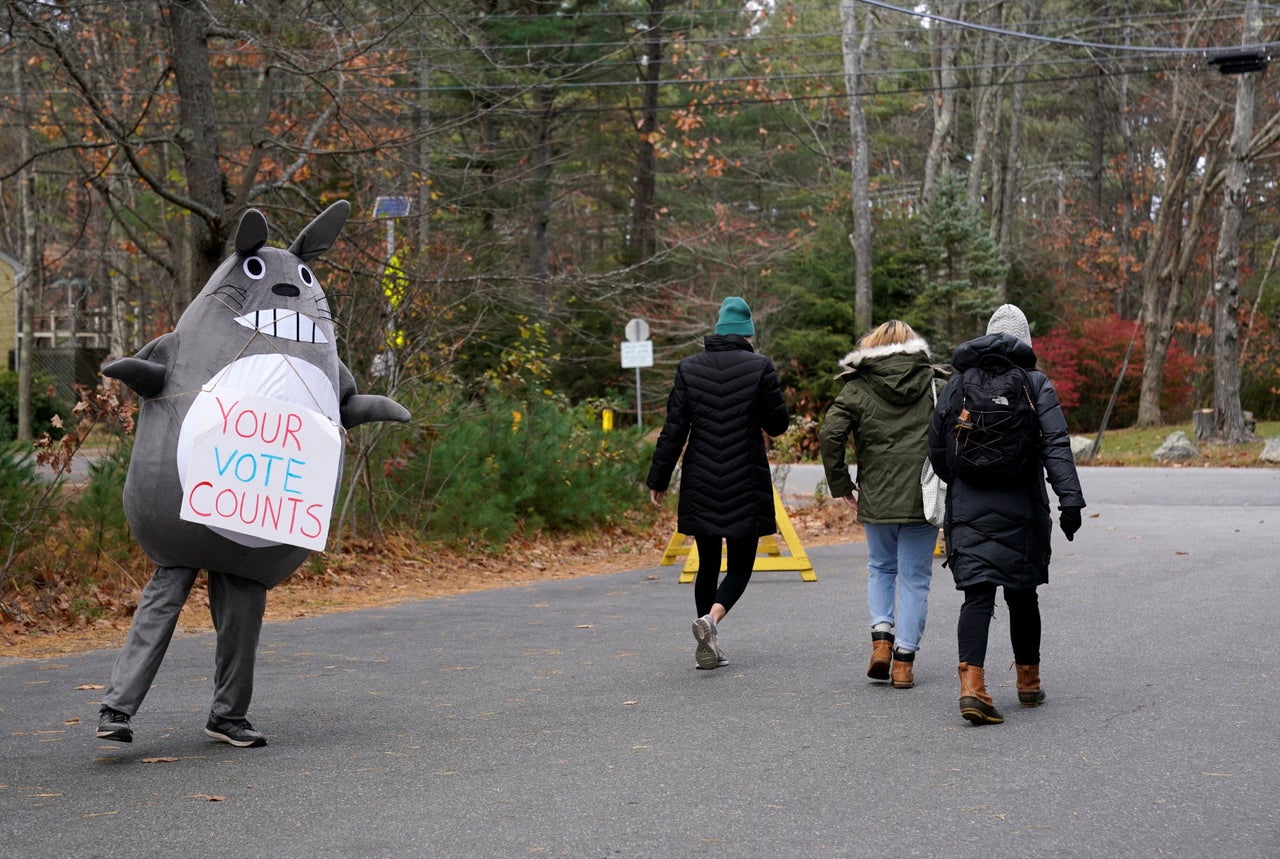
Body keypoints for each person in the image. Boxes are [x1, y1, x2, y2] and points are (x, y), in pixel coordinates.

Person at [927, 304, 1085, 725]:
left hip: (968, 504)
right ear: (1026, 342)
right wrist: (1070, 501)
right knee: (1022, 592)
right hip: (1022, 504)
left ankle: (971, 686)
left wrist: (964, 478)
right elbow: (1056, 444)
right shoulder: (1035, 383)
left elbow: (937, 447)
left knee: (977, 595)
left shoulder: (957, 383)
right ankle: (1028, 684)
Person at [647, 296, 790, 670]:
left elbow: (673, 430)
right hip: (745, 477)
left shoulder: (688, 368)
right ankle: (711, 621)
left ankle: (706, 644)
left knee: (707, 562)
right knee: (741, 565)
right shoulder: (760, 367)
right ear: (747, 333)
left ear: (717, 330)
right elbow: (777, 424)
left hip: (701, 478)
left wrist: (658, 477)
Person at [818, 320, 944, 689]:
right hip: (924, 495)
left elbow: (830, 433)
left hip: (876, 494)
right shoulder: (935, 385)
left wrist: (842, 484)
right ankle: (904, 663)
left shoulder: (857, 387)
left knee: (881, 568)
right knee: (916, 578)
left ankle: (881, 642)